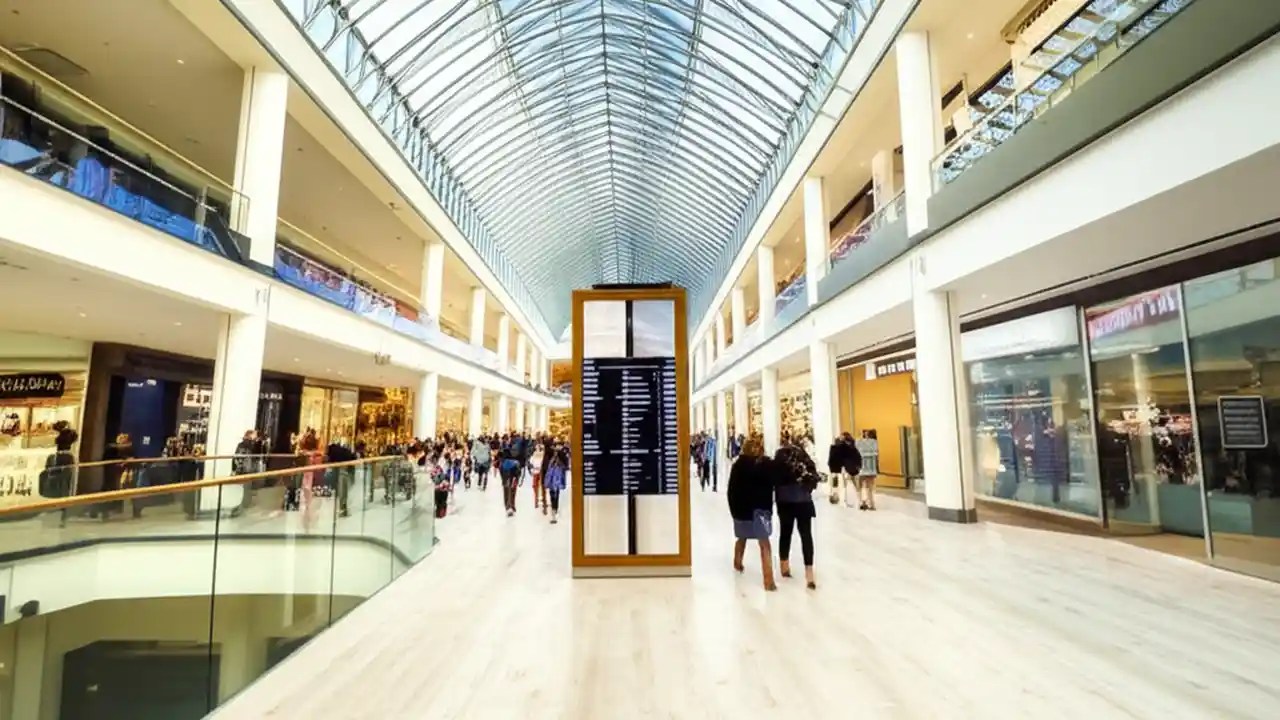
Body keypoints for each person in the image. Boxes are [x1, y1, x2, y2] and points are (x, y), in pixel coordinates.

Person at [726, 435, 776, 591]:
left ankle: (738, 563)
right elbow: (772, 483)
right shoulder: (766, 465)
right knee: (764, 543)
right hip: (761, 510)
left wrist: (734, 510)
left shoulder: (738, 466)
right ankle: (768, 581)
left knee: (742, 538)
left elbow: (731, 490)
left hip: (742, 510)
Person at [775, 438, 820, 590]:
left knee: (785, 533)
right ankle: (809, 572)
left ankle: (784, 566)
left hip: (785, 501)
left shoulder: (780, 457)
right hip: (803, 501)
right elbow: (813, 478)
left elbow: (775, 480)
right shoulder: (804, 457)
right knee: (806, 535)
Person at [828, 432, 862, 507]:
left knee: (847, 484)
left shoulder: (842, 446)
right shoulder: (847, 447)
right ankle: (854, 500)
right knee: (848, 484)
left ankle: (853, 500)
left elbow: (833, 457)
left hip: (846, 467)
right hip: (847, 467)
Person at [544, 442, 568, 524]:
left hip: (557, 478)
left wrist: (559, 462)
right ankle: (554, 509)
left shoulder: (562, 455)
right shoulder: (549, 455)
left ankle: (554, 509)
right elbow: (546, 466)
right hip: (551, 478)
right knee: (552, 493)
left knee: (556, 493)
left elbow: (565, 466)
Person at [856, 429, 879, 511]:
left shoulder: (859, 442)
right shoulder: (875, 443)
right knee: (869, 487)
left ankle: (861, 502)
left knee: (860, 486)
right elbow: (876, 455)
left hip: (862, 468)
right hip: (871, 468)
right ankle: (871, 503)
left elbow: (857, 451)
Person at [500, 437, 523, 517]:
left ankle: (509, 506)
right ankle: (510, 506)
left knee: (508, 489)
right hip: (512, 472)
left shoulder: (506, 449)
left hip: (508, 473)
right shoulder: (516, 450)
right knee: (511, 489)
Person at [530, 441, 546, 513]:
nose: (537, 448)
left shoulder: (540, 454)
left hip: (538, 471)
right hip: (538, 471)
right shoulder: (537, 454)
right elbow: (531, 462)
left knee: (537, 486)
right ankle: (539, 500)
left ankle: (539, 500)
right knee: (537, 486)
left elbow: (531, 462)